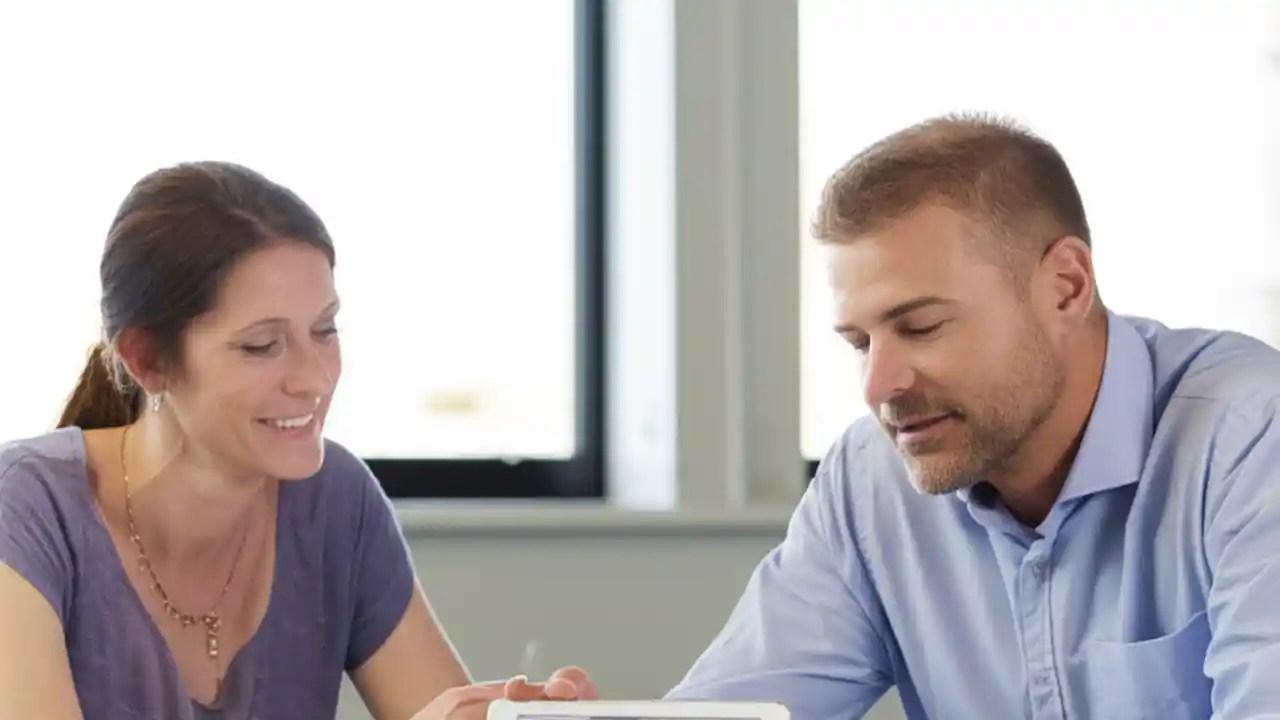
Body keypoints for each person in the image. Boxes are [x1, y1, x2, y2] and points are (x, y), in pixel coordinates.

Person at [667, 114, 1280, 719]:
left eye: (922, 327)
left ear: (1066, 287)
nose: (879, 386)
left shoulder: (1251, 435)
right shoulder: (869, 480)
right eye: (860, 343)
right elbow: (738, 709)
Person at [0, 162, 596, 719]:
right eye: (263, 345)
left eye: (324, 331)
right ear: (147, 360)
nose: (314, 379)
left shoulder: (335, 502)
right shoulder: (28, 508)